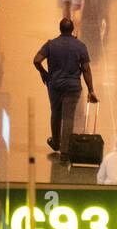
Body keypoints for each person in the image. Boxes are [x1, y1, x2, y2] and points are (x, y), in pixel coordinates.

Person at [32, 18, 98, 164]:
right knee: (68, 118)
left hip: (54, 86)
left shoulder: (51, 44)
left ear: (60, 29)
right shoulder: (80, 46)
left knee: (55, 114)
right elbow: (86, 69)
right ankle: (65, 152)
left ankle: (55, 142)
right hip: (73, 87)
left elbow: (36, 60)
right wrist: (91, 90)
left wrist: (43, 73)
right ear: (72, 29)